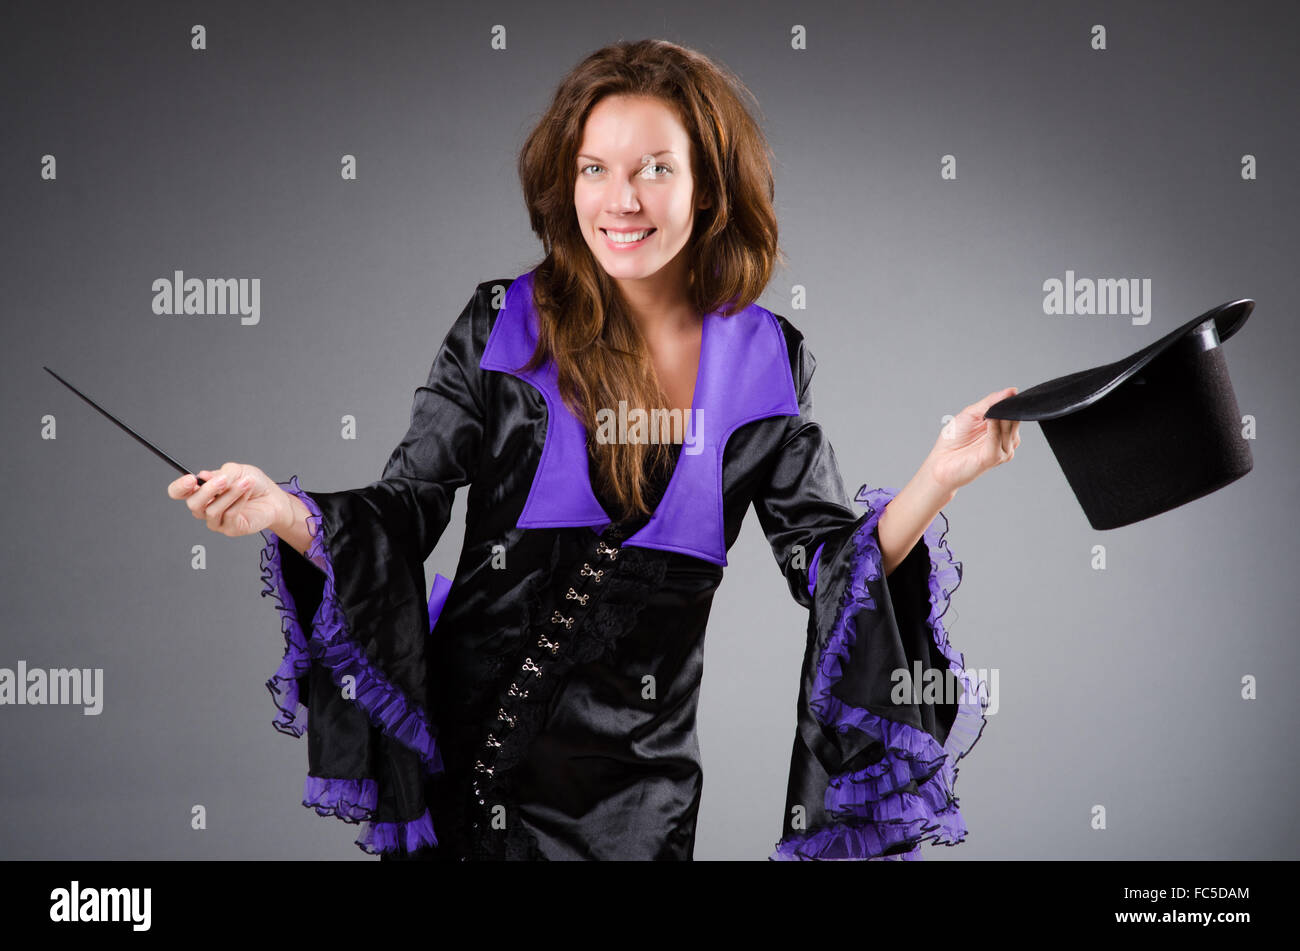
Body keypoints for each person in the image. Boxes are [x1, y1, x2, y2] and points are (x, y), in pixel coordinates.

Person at [167, 38, 1020, 861]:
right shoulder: (501, 324)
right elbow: (405, 509)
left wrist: (939, 474)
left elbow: (831, 560)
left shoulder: (763, 360)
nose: (622, 199)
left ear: (710, 189)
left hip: (633, 800)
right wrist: (282, 509)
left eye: (655, 167)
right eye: (595, 169)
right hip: (468, 772)